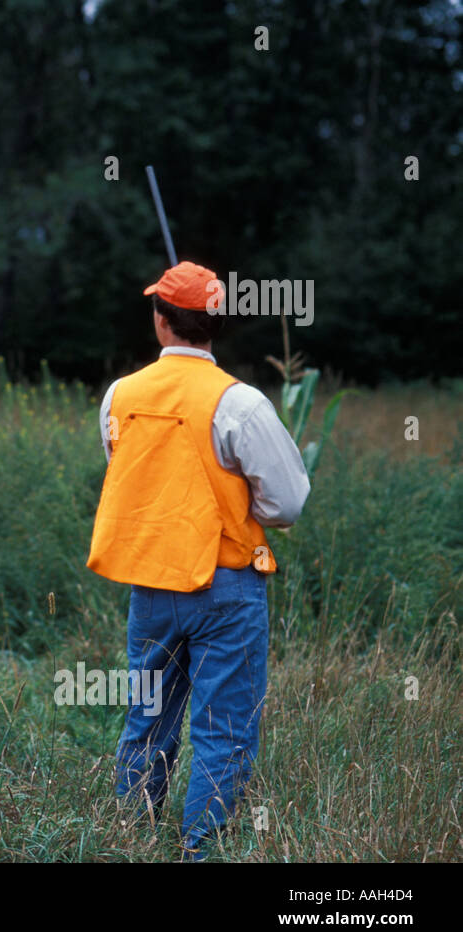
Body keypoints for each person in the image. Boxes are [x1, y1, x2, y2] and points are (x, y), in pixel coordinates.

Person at [86, 260, 311, 860]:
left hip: (150, 587)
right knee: (223, 731)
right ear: (217, 325)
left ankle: (129, 842)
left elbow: (128, 474)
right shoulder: (241, 404)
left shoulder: (119, 396)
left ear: (161, 321)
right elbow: (287, 502)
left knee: (146, 721)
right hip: (226, 587)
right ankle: (202, 851)